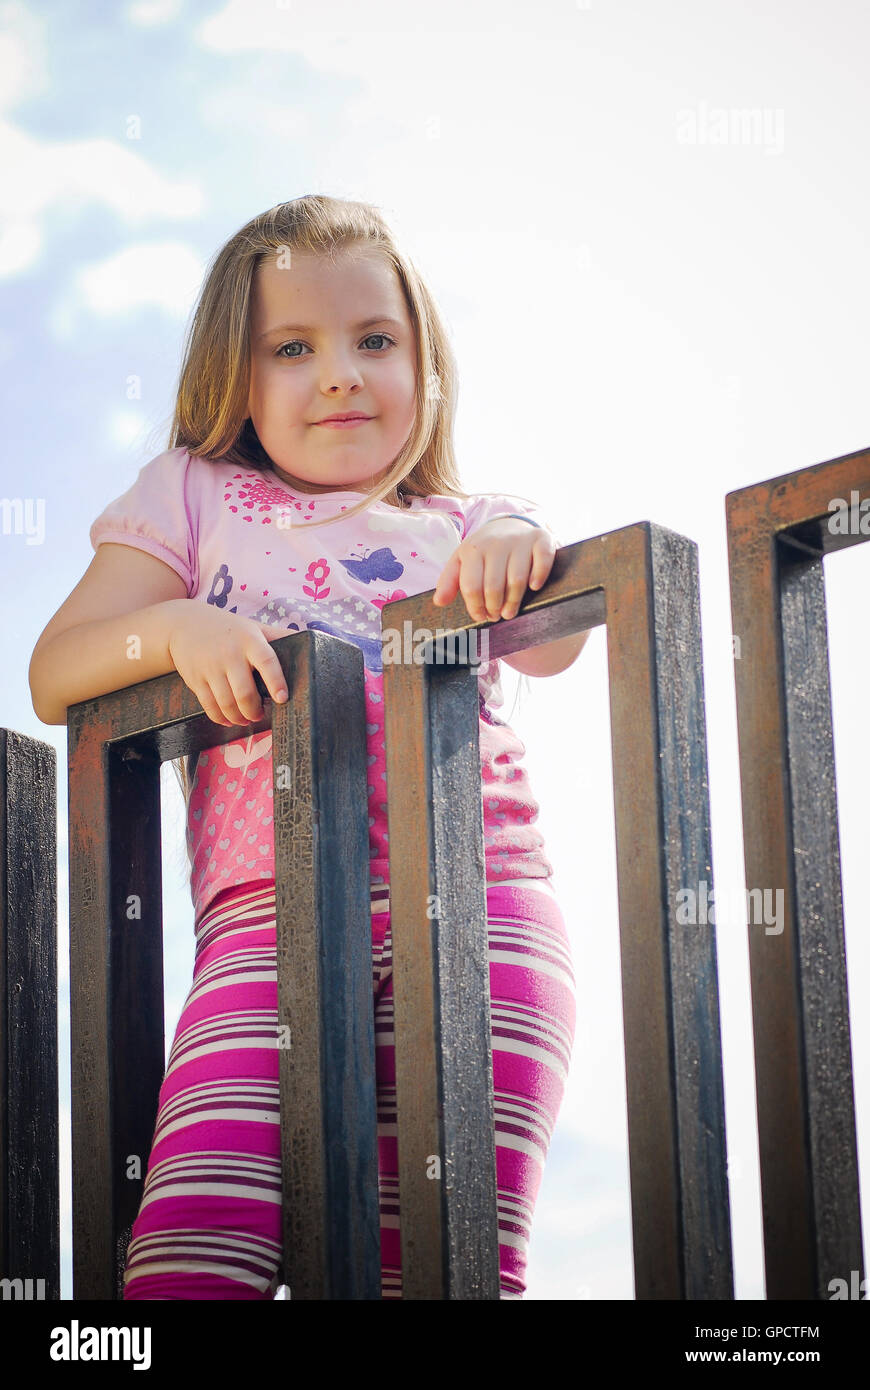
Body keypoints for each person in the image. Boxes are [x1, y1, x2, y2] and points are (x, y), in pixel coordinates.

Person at [29, 194, 588, 1300]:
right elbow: (58, 670)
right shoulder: (193, 496)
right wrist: (178, 625)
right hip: (264, 922)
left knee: (439, 1258)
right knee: (193, 1245)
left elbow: (554, 652)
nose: (340, 372)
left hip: (483, 911)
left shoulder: (468, 521)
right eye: (293, 348)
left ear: (425, 369)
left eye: (375, 340)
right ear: (236, 383)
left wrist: (524, 554)